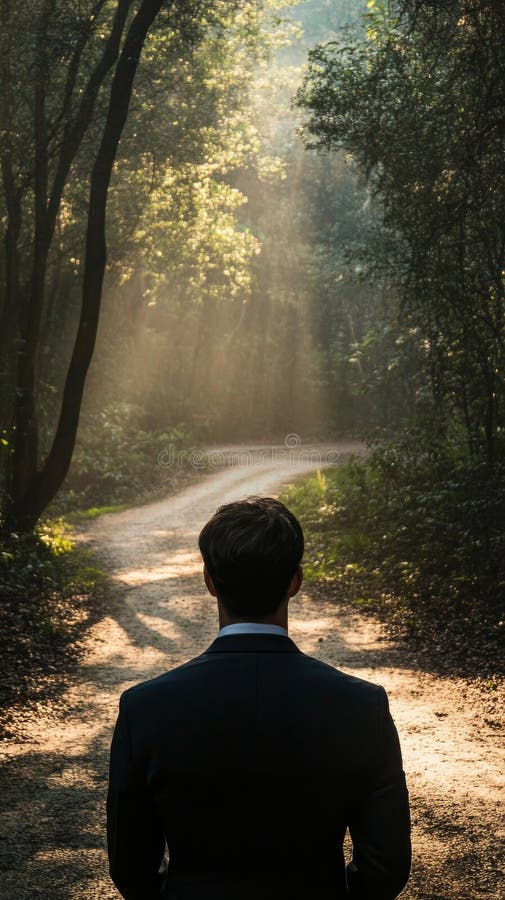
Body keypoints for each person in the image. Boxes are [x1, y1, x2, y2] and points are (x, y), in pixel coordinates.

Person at [107, 496, 411, 899]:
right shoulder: (362, 706)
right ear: (295, 581)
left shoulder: (145, 707)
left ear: (209, 582)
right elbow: (386, 865)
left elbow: (131, 867)